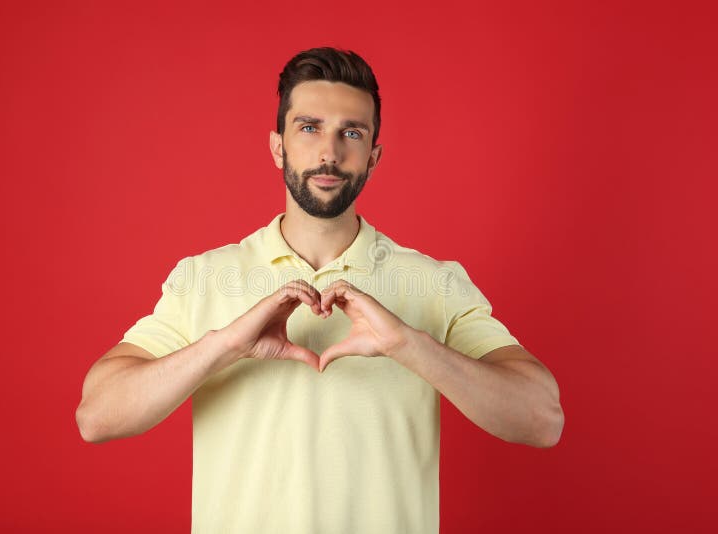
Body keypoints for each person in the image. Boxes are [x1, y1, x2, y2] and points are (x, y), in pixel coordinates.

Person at [76, 47, 564, 534]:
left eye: (351, 133)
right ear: (278, 147)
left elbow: (543, 419)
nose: (329, 152)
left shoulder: (435, 283)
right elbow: (96, 416)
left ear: (373, 157)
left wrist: (408, 345)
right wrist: (225, 345)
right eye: (309, 128)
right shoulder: (202, 278)